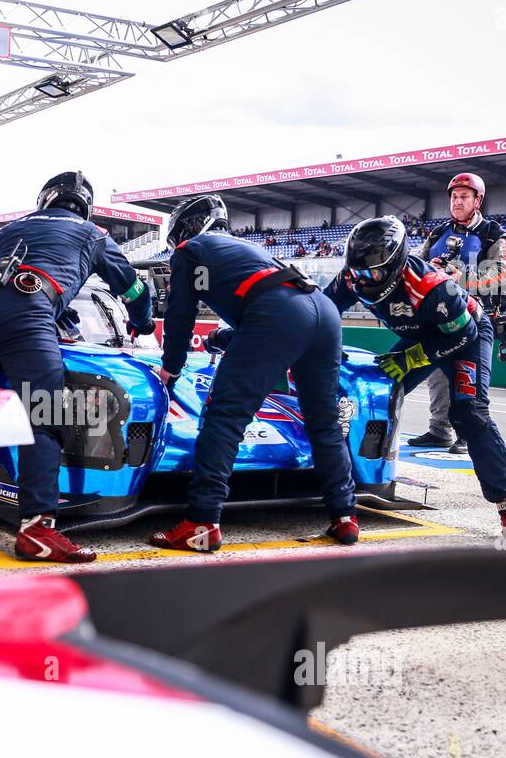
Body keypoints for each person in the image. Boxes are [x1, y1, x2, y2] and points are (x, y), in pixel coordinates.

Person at [0, 171, 154, 564]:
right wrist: (144, 322)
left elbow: (15, 278)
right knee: (44, 412)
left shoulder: (10, 230)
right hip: (29, 310)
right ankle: (37, 530)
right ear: (85, 205)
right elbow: (131, 287)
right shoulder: (92, 233)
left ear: (46, 199)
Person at [149, 194, 359, 552]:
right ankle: (345, 516)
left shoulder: (190, 249)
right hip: (321, 309)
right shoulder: (246, 248)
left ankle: (202, 521)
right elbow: (272, 305)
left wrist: (170, 368)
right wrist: (226, 337)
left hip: (278, 310)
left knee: (224, 415)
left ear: (183, 230)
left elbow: (179, 316)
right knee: (323, 421)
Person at [324, 216, 506, 539]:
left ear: (396, 263)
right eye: (360, 271)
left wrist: (412, 358)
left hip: (466, 336)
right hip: (419, 334)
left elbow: (464, 333)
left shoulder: (432, 286)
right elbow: (321, 310)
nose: (366, 279)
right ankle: (353, 479)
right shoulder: (352, 277)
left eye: (375, 272)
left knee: (469, 412)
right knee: (371, 392)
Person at [409, 173, 506, 454]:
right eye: (454, 196)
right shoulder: (437, 233)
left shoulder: (493, 233)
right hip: (442, 318)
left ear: (477, 200)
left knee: (470, 378)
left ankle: (468, 434)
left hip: (480, 318)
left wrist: (462, 277)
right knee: (438, 378)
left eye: (464, 196)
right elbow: (414, 268)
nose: (457, 201)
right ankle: (439, 431)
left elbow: (502, 275)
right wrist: (428, 267)